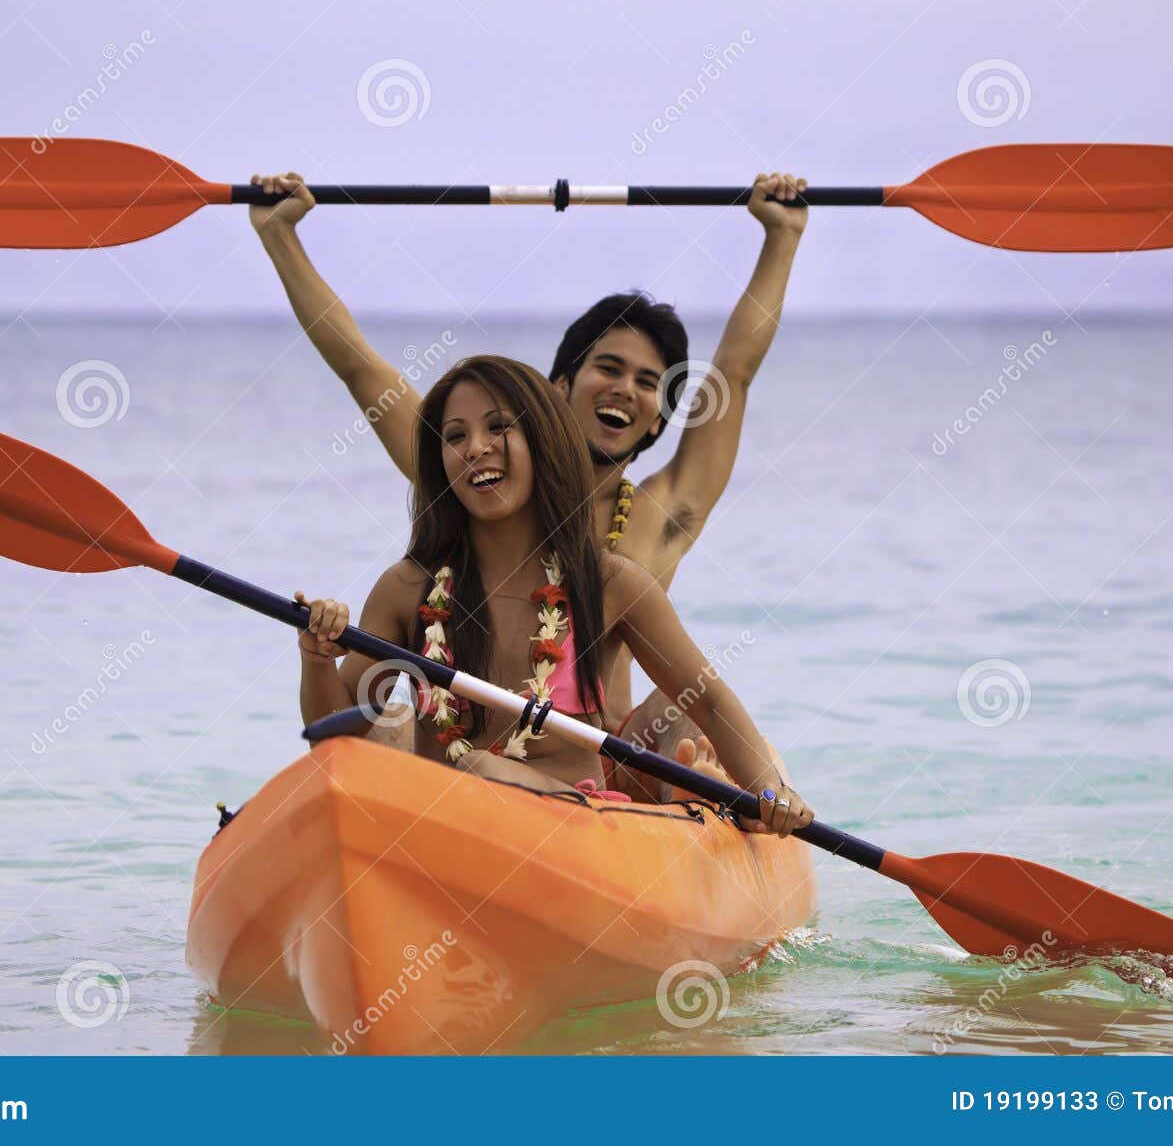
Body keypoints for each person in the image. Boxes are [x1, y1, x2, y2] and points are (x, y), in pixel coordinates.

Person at [254, 167, 807, 800]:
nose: (627, 389)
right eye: (608, 367)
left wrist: (782, 237)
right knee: (392, 719)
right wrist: (281, 237)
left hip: (601, 770)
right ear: (557, 390)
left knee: (677, 712)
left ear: (659, 415)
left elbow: (733, 374)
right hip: (460, 767)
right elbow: (361, 369)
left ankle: (715, 812)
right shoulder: (473, 474)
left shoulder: (654, 520)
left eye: (649, 383)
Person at [295, 356, 813, 837]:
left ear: (543, 444)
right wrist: (316, 657)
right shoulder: (406, 589)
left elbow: (711, 701)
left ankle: (693, 793)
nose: (476, 447)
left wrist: (770, 790)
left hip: (576, 826)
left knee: (479, 765)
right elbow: (331, 735)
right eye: (455, 436)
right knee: (397, 734)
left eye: (498, 427)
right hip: (443, 828)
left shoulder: (612, 583)